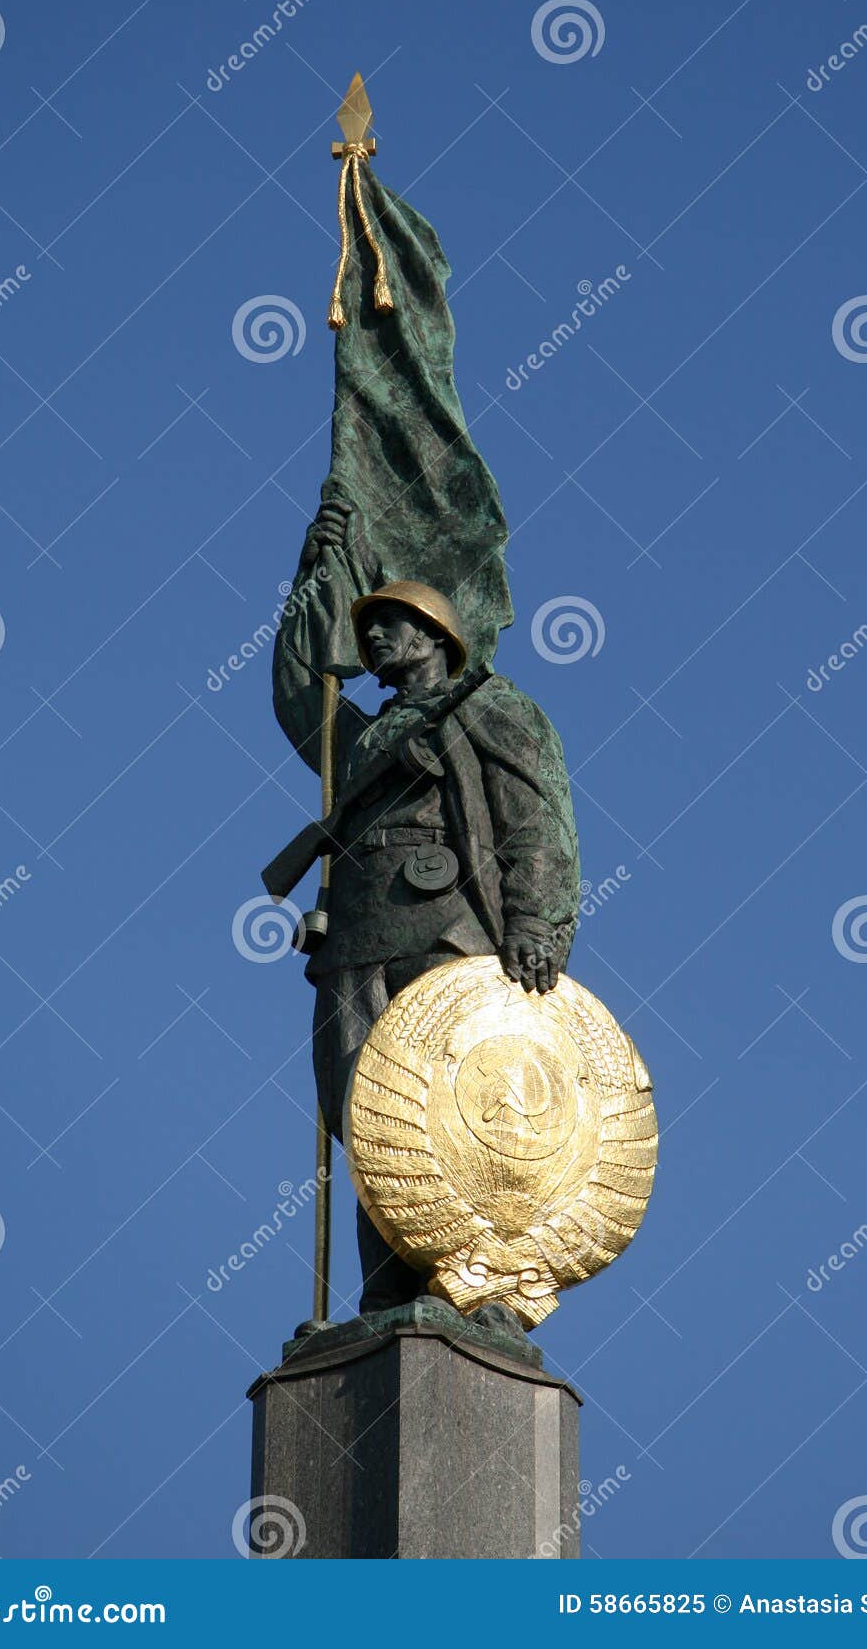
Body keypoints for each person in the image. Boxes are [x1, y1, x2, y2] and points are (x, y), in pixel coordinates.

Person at [272, 497, 581, 1319]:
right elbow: (303, 695)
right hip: (355, 939)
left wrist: (536, 920)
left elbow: (537, 817)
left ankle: (484, 1289)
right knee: (369, 1116)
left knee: (463, 1106)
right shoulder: (361, 739)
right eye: (366, 626)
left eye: (391, 623)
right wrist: (313, 582)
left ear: (436, 634)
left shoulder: (491, 707)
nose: (374, 636)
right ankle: (391, 1287)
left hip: (450, 930)